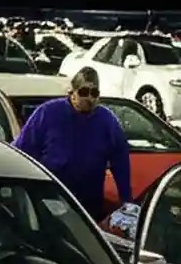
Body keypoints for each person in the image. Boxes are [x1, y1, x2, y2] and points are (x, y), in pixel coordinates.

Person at [13, 67, 131, 220]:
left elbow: (120, 160)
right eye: (83, 92)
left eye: (94, 93)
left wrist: (126, 201)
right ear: (72, 93)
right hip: (51, 200)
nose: (89, 98)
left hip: (88, 206)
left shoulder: (107, 121)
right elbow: (23, 151)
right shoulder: (47, 114)